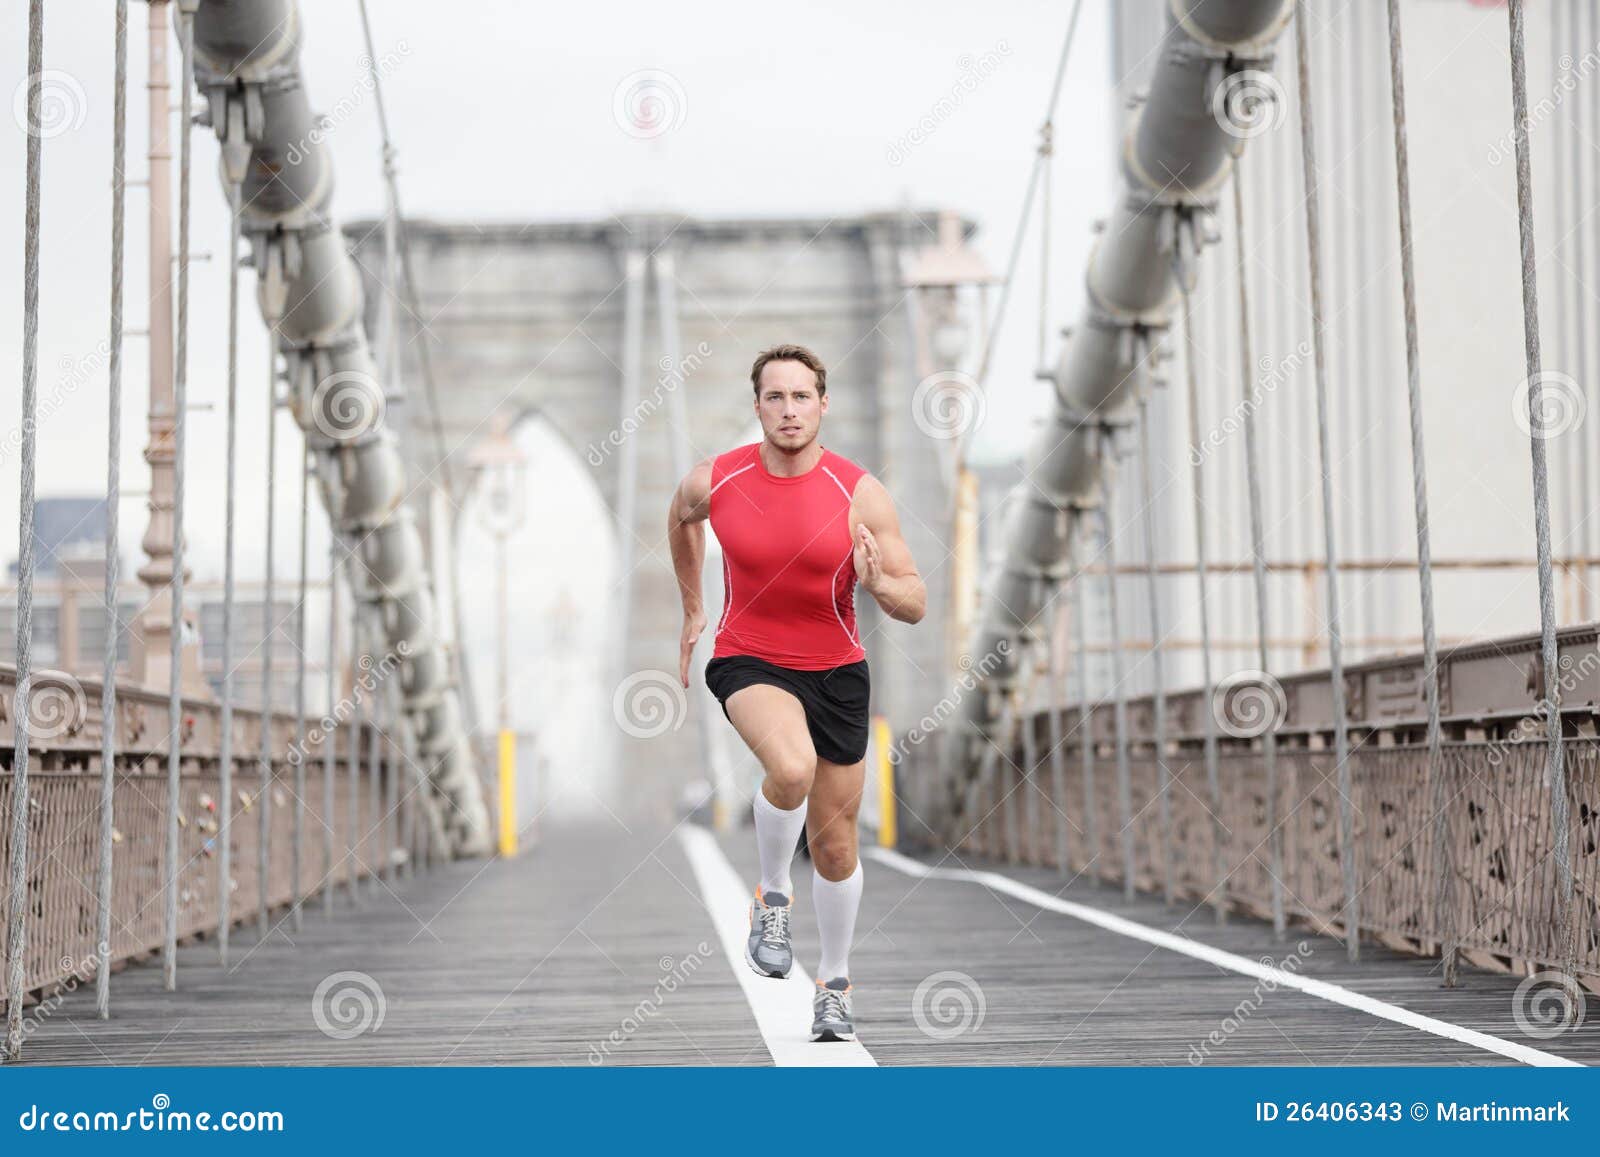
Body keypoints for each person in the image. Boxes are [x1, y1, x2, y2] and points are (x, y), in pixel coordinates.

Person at [667, 343, 926, 1042]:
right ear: (756, 406)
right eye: (774, 397)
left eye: (801, 396)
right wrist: (694, 605)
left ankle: (834, 985)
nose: (788, 409)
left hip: (837, 670)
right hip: (749, 658)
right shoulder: (717, 479)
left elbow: (916, 601)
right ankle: (773, 895)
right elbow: (681, 516)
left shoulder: (858, 492)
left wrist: (877, 585)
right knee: (790, 767)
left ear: (823, 404)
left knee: (838, 847)